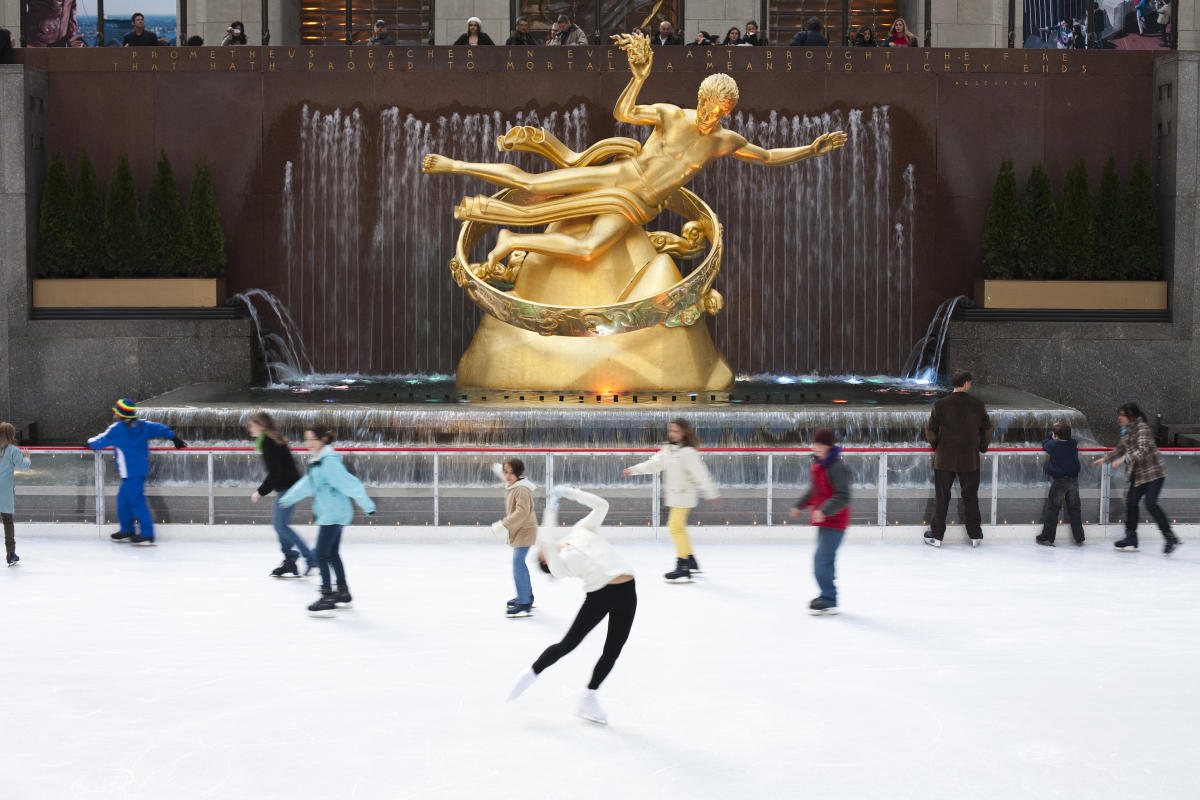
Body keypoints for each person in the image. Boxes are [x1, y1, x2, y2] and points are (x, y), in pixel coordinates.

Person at [423, 32, 846, 273]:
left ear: (727, 111)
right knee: (535, 185)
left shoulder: (724, 141)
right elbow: (623, 111)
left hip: (639, 207)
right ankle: (453, 165)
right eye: (705, 105)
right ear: (699, 98)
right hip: (620, 178)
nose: (707, 115)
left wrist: (810, 149)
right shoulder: (669, 114)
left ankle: (512, 238)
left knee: (589, 250)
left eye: (717, 111)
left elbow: (768, 157)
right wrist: (639, 76)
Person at [507, 486, 636, 725]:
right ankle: (531, 673)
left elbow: (602, 506)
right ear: (546, 562)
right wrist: (551, 506)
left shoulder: (580, 531)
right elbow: (545, 538)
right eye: (539, 554)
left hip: (628, 591)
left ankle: (589, 696)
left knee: (613, 651)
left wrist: (572, 493)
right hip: (600, 595)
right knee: (568, 644)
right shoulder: (558, 565)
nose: (540, 548)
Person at [279, 426, 376, 617]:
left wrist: (367, 504)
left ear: (323, 439)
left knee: (321, 555)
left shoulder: (328, 462)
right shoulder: (317, 461)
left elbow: (349, 483)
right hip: (331, 513)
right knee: (331, 554)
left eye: (312, 439)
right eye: (306, 439)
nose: (309, 444)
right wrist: (288, 499)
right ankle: (343, 592)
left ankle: (327, 595)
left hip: (333, 514)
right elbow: (306, 484)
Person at [622, 418, 721, 582]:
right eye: (671, 430)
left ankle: (683, 566)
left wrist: (712, 493)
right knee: (678, 527)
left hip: (684, 495)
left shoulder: (688, 452)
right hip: (674, 495)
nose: (672, 434)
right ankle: (691, 560)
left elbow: (701, 475)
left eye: (676, 431)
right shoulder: (668, 450)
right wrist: (632, 470)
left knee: (675, 527)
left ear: (685, 433)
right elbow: (652, 465)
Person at [87, 399, 186, 546]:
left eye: (116, 411)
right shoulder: (143, 425)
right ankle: (127, 529)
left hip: (129, 473)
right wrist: (173, 437)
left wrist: (89, 443)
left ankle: (147, 533)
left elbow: (99, 441)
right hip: (138, 471)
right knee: (123, 501)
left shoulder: (117, 429)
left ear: (120, 414)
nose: (114, 413)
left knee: (136, 503)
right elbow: (160, 428)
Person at [1092, 403, 1181, 554]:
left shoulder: (1142, 429)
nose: (1119, 418)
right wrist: (1105, 459)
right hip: (1138, 475)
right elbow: (1120, 448)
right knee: (1131, 502)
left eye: (1123, 415)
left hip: (1153, 473)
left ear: (1131, 416)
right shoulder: (1127, 431)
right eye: (1119, 415)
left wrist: (1123, 460)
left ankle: (1170, 537)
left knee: (1151, 504)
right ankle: (1131, 537)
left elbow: (1142, 450)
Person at [923, 371, 992, 548]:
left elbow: (930, 430)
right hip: (970, 459)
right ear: (966, 383)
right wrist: (982, 446)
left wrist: (938, 445)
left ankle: (937, 536)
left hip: (944, 458)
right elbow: (987, 429)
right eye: (971, 382)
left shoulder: (940, 405)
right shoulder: (977, 405)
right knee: (970, 497)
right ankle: (975, 535)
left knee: (942, 497)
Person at [789, 428, 851, 615]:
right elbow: (813, 491)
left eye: (820, 444)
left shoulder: (835, 467)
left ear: (828, 446)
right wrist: (799, 506)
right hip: (824, 521)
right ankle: (828, 596)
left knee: (821, 561)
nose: (815, 447)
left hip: (835, 522)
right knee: (826, 561)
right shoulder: (820, 464)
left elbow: (843, 496)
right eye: (814, 444)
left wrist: (824, 510)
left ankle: (828, 598)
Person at [246, 411, 312, 578]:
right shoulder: (269, 440)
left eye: (252, 426)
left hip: (288, 487)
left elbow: (275, 472)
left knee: (281, 525)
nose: (249, 429)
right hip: (288, 486)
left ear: (261, 426)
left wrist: (260, 492)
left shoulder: (269, 442)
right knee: (280, 525)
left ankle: (310, 558)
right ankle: (290, 560)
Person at [490, 458, 538, 617]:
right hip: (520, 529)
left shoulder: (521, 490)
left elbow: (522, 512)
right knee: (520, 564)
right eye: (506, 472)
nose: (508, 476)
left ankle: (524, 601)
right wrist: (499, 468)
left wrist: (503, 525)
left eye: (512, 472)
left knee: (518, 564)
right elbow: (503, 474)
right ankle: (527, 596)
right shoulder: (514, 485)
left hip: (525, 530)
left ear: (518, 473)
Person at [1037, 421, 1085, 547]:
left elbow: (1045, 443)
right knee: (1074, 509)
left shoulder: (1053, 445)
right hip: (1074, 479)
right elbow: (1065, 438)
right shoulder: (1073, 443)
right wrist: (1056, 433)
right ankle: (1079, 536)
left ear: (1056, 436)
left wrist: (1051, 435)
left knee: (1053, 508)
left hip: (1060, 481)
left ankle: (1047, 536)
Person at [0, 423, 31, 566]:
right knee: (7, 521)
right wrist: (27, 457)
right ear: (11, 435)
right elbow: (23, 467)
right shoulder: (13, 450)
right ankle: (10, 553)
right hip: (4, 490)